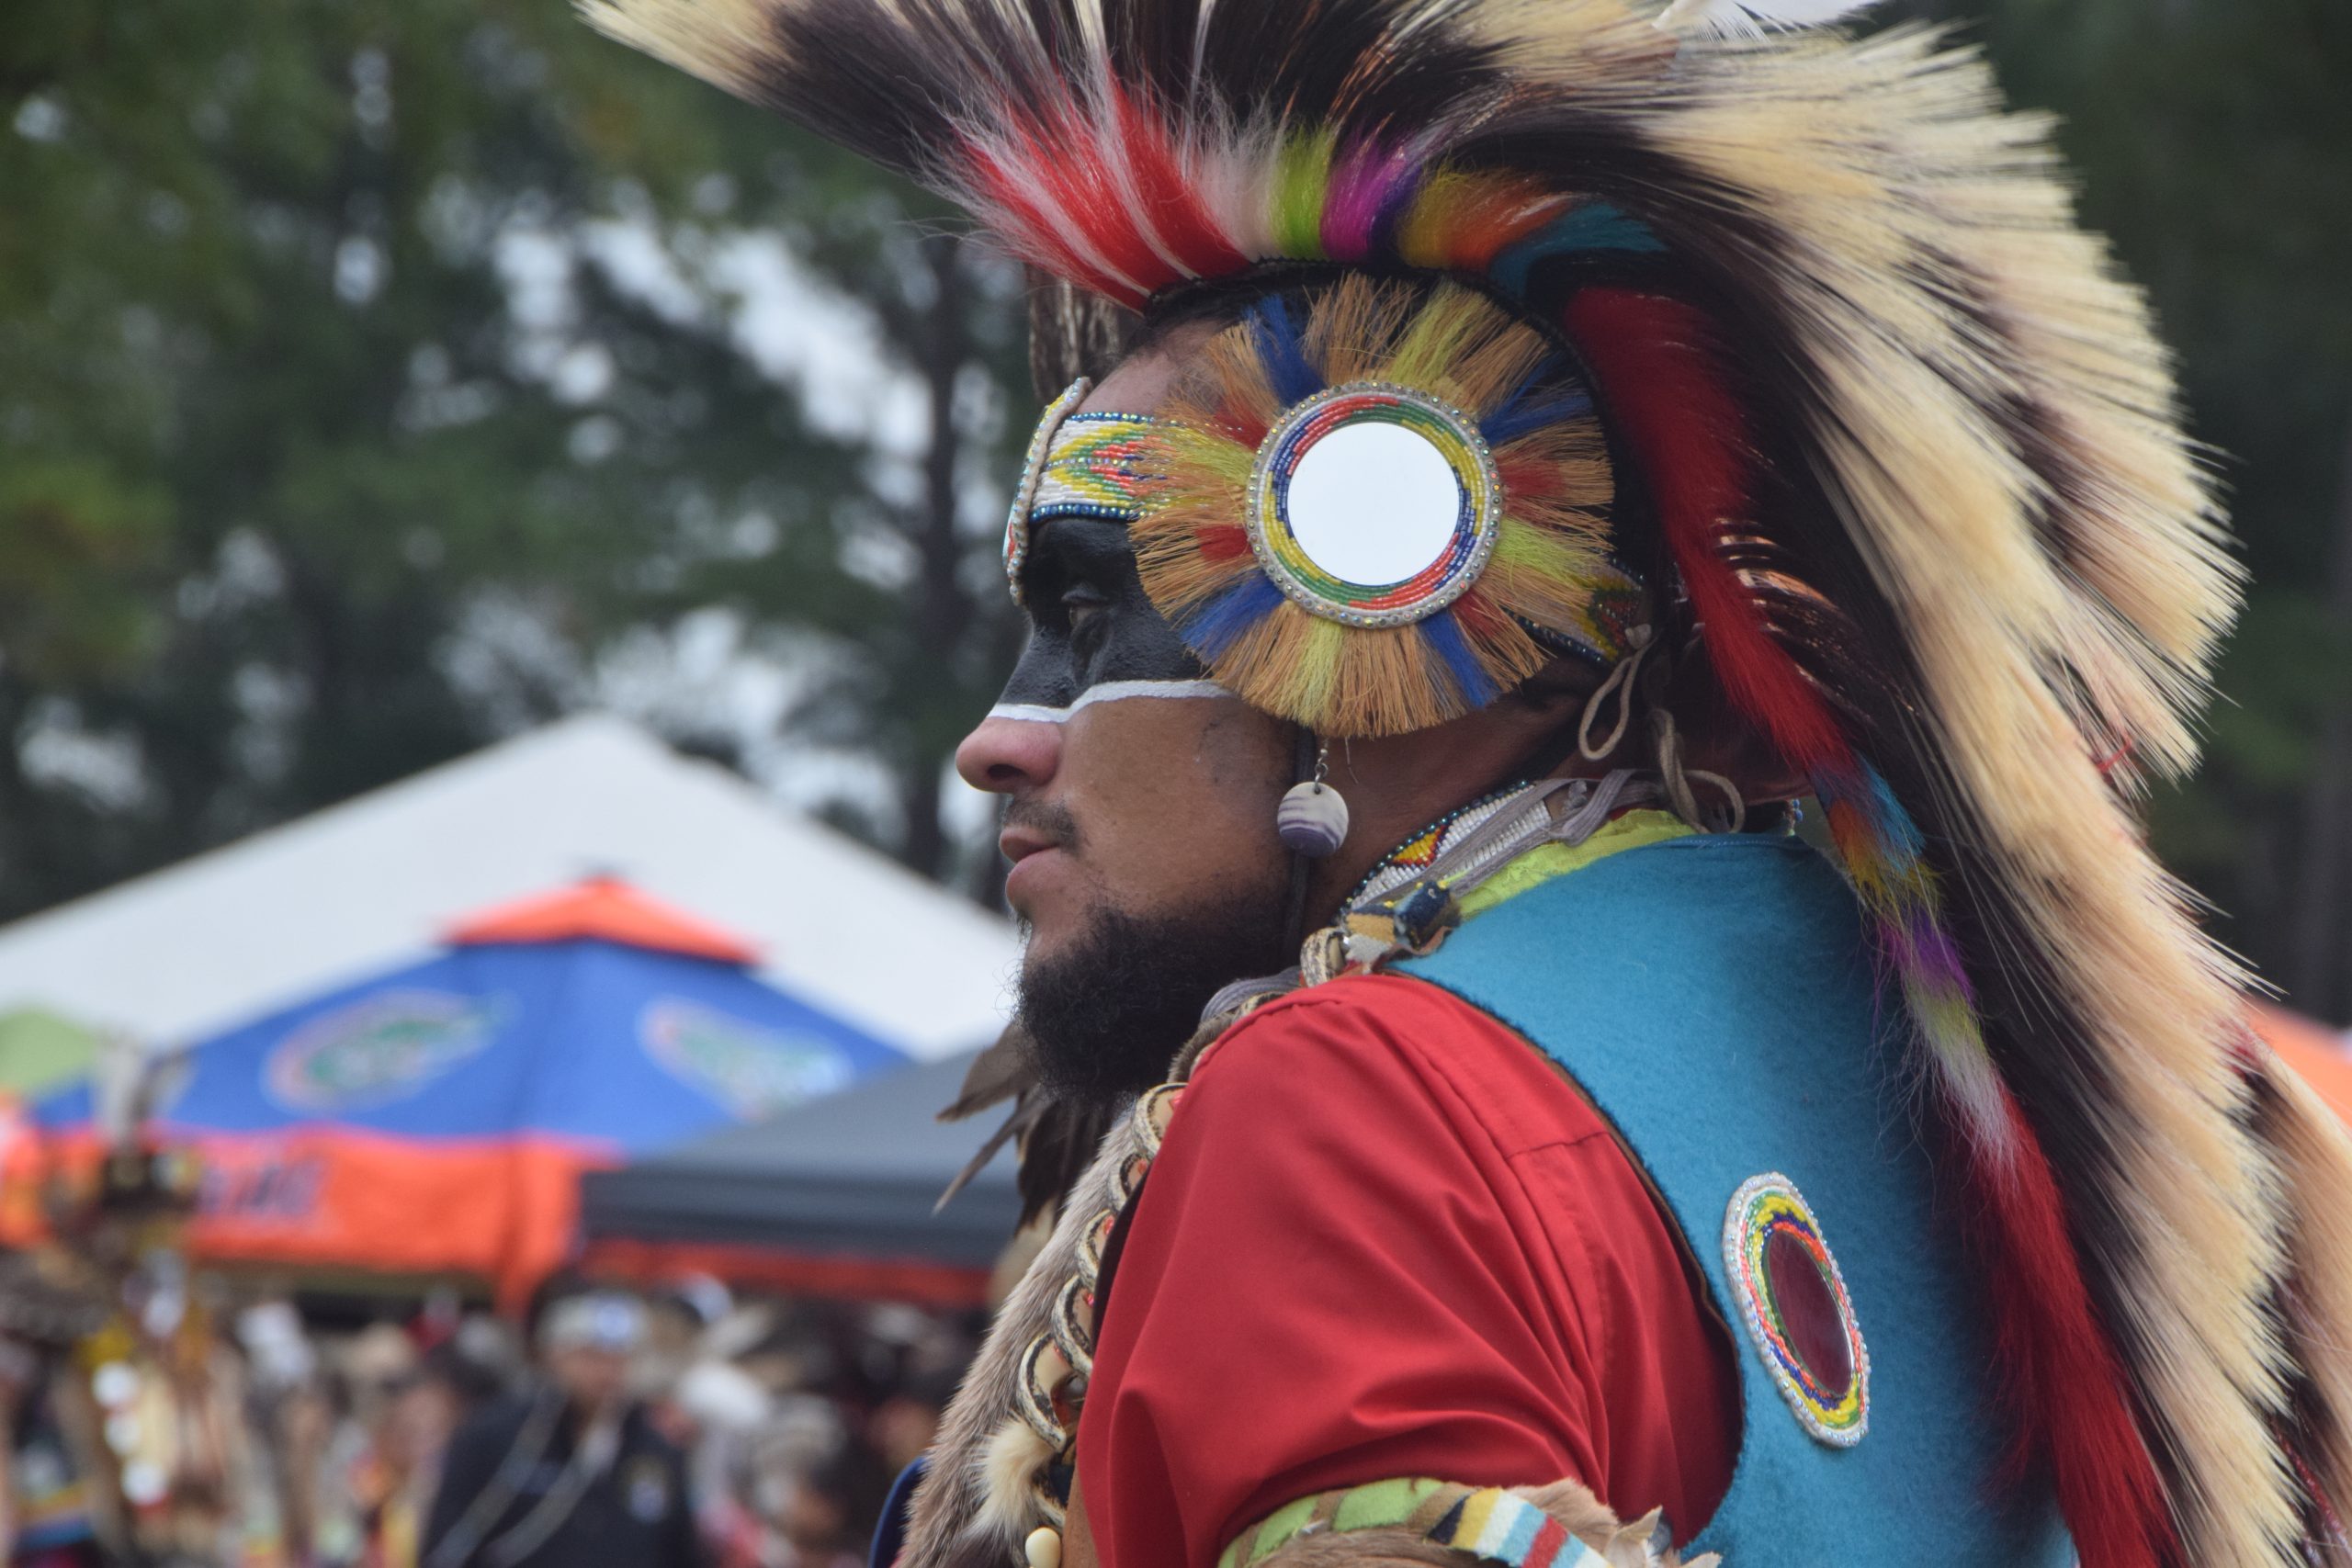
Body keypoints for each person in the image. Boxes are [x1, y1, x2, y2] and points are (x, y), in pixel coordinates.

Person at [589, 2, 2352, 1565]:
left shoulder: (1362, 1103)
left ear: (1372, 612)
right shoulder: (1971, 1066)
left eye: (1086, 614)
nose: (1001, 733)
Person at [422, 1291, 700, 1568]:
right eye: (592, 1356)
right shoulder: (499, 1435)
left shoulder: (656, 1449)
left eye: (620, 1358)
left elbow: (682, 1549)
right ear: (554, 1355)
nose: (607, 1373)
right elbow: (448, 1539)